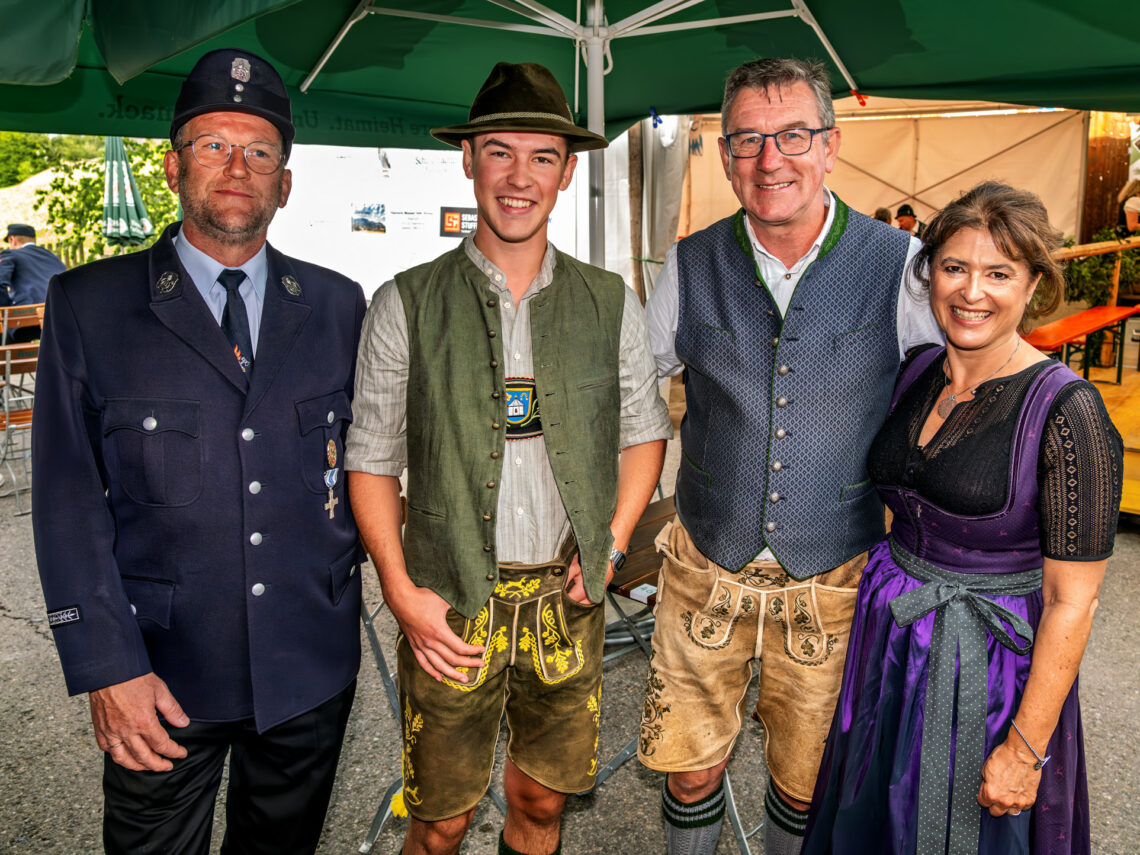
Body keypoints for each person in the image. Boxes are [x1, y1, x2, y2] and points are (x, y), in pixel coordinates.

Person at [32, 48, 366, 854]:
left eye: (260, 151)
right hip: (161, 676)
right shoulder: (90, 305)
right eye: (214, 143)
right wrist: (106, 666)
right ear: (175, 164)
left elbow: (371, 465)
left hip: (308, 670)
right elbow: (67, 501)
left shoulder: (336, 304)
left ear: (285, 183)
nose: (237, 167)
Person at [345, 62, 671, 855]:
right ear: (468, 159)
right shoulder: (405, 300)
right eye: (499, 152)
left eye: (541, 156)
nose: (518, 177)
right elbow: (371, 459)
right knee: (441, 819)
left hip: (569, 595)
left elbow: (643, 432)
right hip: (448, 603)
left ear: (566, 170)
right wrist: (400, 592)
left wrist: (616, 539)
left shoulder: (609, 300)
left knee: (540, 803)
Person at [640, 57, 941, 855]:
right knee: (689, 770)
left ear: (832, 145)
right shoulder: (692, 262)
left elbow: (953, 395)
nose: (770, 159)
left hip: (835, 572)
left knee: (806, 777)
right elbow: (636, 393)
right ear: (727, 152)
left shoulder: (899, 266)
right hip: (706, 561)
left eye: (793, 135)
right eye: (746, 140)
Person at [802, 180, 1122, 855]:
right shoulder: (917, 368)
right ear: (930, 274)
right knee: (876, 818)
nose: (971, 291)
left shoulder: (1068, 412)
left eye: (998, 272)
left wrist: (1026, 746)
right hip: (891, 644)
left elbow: (1074, 600)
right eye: (954, 267)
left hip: (990, 669)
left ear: (1033, 284)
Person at [0, 223, 64, 341]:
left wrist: (4, 313)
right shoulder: (52, 257)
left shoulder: (10, 254)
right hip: (60, 320)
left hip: (26, 323)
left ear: (12, 239)